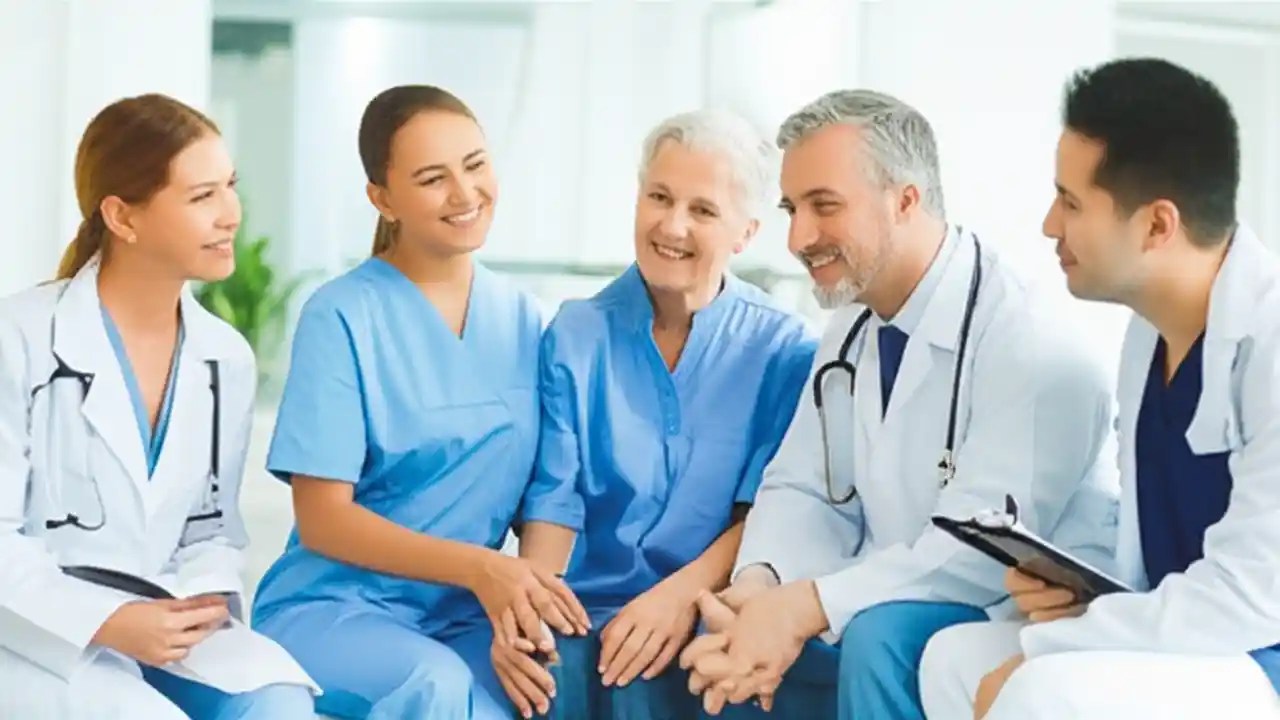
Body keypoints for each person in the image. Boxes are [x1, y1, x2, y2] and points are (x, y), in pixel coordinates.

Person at [676, 89, 1121, 720]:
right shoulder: (851, 329)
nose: (799, 237)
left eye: (824, 207)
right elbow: (802, 487)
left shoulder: (1030, 342)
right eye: (791, 209)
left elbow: (977, 555)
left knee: (877, 637)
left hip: (998, 610)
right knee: (726, 636)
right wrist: (760, 586)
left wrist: (804, 607)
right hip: (874, 595)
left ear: (905, 200)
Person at [919, 58, 1280, 720]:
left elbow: (1250, 595)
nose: (1050, 225)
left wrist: (1061, 643)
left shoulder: (1272, 344)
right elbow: (1146, 550)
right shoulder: (1148, 337)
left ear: (1156, 225)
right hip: (1196, 642)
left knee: (1038, 684)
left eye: (1072, 201)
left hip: (1261, 654)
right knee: (952, 660)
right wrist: (1074, 589)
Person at [249, 85, 589, 720]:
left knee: (559, 679)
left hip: (467, 615)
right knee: (435, 688)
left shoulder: (526, 320)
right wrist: (484, 571)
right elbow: (323, 517)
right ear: (382, 198)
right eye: (433, 178)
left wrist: (524, 613)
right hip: (337, 609)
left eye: (476, 164)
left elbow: (549, 495)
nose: (465, 194)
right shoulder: (342, 315)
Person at [490, 110, 819, 720]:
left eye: (703, 210)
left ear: (745, 232)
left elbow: (769, 511)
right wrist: (526, 612)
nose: (672, 225)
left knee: (666, 677)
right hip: (590, 605)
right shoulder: (576, 333)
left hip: (717, 600)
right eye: (659, 197)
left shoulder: (785, 349)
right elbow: (554, 503)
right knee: (546, 671)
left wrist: (683, 595)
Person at [0, 94, 317, 718]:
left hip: (164, 624)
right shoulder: (20, 337)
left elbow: (213, 529)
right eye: (202, 196)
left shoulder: (224, 357)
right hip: (34, 632)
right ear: (123, 216)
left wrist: (197, 603)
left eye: (230, 186)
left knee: (279, 705)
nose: (232, 214)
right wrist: (109, 621)